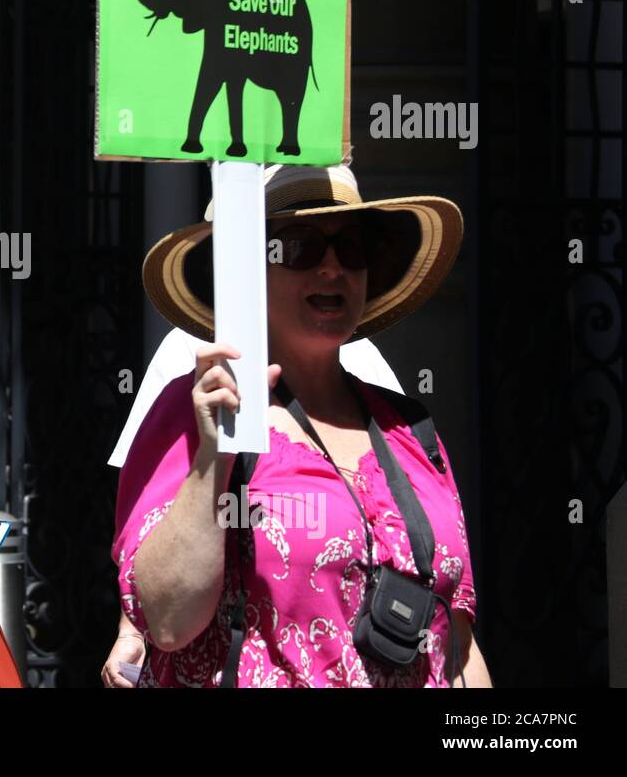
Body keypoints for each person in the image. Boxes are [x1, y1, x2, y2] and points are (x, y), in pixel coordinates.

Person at [113, 164, 492, 687]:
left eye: (353, 248)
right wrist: (213, 456)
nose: (333, 268)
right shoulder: (191, 411)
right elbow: (169, 622)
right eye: (300, 247)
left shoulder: (410, 428)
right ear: (248, 268)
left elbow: (458, 645)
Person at [102, 323, 404, 687]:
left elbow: (400, 505)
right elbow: (147, 514)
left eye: (351, 263)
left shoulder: (363, 359)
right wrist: (131, 631)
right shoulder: (190, 349)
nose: (329, 274)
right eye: (300, 262)